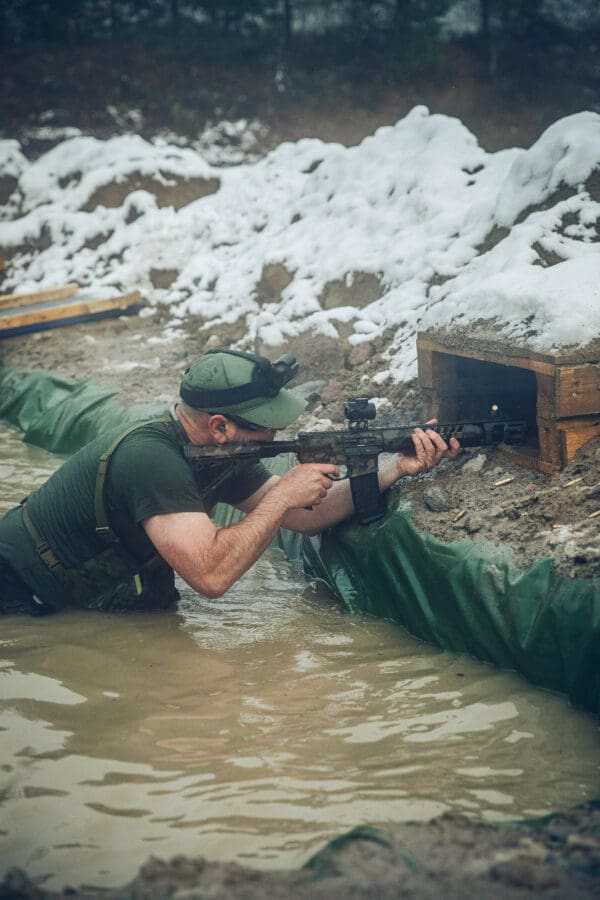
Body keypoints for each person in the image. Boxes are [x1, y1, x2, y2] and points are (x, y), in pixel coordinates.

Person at [0, 349, 459, 615]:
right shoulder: (151, 458)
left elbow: (309, 517)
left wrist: (394, 468)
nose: (275, 435)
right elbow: (212, 575)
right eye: (265, 425)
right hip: (18, 592)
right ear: (220, 426)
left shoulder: (223, 452)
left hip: (84, 590)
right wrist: (280, 496)